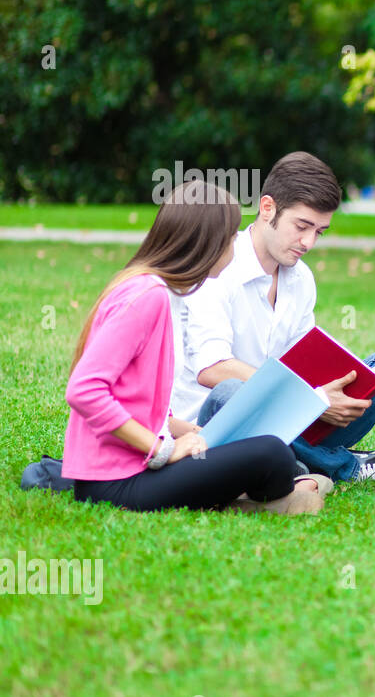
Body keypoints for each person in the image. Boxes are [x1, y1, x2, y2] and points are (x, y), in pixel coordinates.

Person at [64, 181, 327, 515]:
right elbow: (84, 390)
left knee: (258, 449)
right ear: (207, 244)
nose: (236, 247)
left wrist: (187, 432)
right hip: (116, 482)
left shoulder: (164, 292)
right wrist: (161, 449)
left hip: (136, 467)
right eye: (231, 237)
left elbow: (137, 399)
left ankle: (257, 494)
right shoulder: (148, 296)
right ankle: (249, 500)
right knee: (273, 455)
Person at [171, 151, 375, 483]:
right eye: (302, 226)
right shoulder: (218, 264)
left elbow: (303, 363)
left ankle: (301, 458)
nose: (308, 242)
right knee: (231, 391)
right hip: (214, 423)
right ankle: (345, 466)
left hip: (288, 413)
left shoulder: (301, 279)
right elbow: (212, 370)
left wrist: (330, 389)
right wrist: (310, 396)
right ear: (267, 208)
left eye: (319, 231)